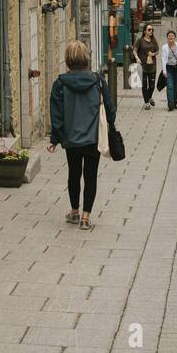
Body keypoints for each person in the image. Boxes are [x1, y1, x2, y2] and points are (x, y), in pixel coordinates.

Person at [48, 40, 117, 232]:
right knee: (90, 176)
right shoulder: (97, 80)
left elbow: (57, 115)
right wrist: (111, 126)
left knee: (74, 173)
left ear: (68, 60)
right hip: (93, 137)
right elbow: (110, 107)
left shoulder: (60, 84)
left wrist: (55, 139)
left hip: (71, 138)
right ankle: (86, 217)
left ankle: (74, 211)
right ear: (86, 58)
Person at [135, 23, 160, 109]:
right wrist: (137, 58)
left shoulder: (154, 40)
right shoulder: (140, 40)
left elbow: (158, 51)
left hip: (152, 66)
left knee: (152, 85)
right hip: (143, 66)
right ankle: (146, 103)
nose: (151, 31)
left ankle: (149, 97)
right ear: (145, 31)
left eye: (152, 30)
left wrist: (153, 54)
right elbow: (134, 50)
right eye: (149, 30)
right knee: (145, 84)